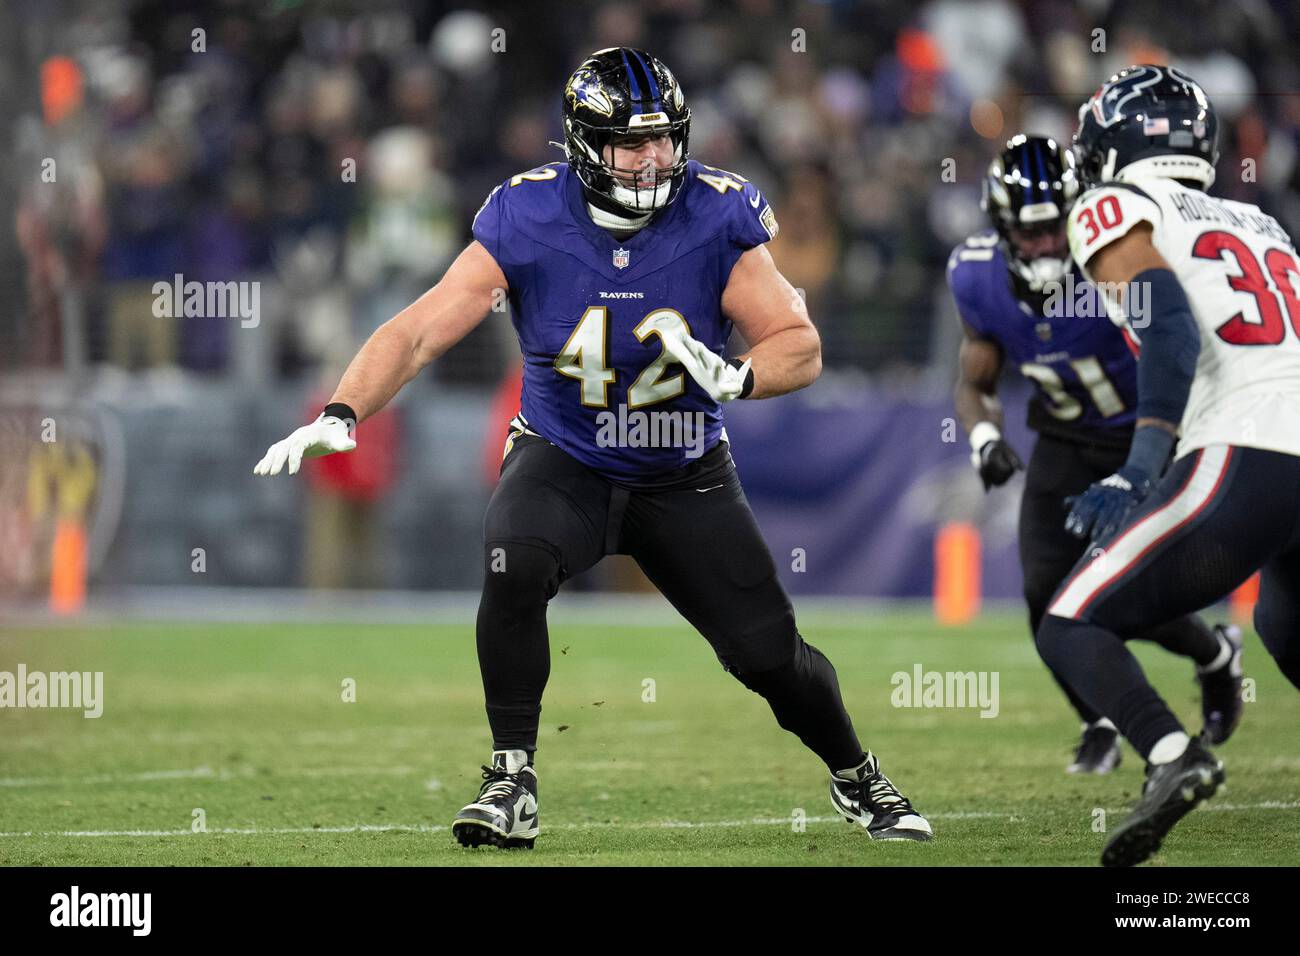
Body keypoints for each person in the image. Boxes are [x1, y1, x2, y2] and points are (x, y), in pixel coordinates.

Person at [254, 47, 932, 850]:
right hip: (564, 453)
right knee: (512, 559)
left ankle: (858, 775)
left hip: (681, 466)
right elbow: (418, 331)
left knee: (768, 656)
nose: (653, 161)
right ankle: (512, 778)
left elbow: (800, 343)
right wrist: (344, 410)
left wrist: (739, 376)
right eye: (631, 144)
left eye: (664, 140)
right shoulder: (527, 215)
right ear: (583, 145)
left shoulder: (716, 215)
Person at [1035, 65, 1300, 866]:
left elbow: (1171, 325)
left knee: (1072, 621)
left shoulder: (1114, 205)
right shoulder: (1260, 222)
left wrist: (1140, 465)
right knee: (1289, 628)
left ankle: (1170, 753)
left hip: (1247, 447)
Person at [950, 134, 1241, 774]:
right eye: (1033, 234)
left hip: (1146, 434)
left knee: (1132, 595)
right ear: (1002, 228)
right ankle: (1099, 721)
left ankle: (1215, 654)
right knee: (1042, 590)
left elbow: (1178, 338)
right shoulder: (974, 275)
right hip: (1066, 437)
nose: (1050, 245)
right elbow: (975, 379)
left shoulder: (1120, 256)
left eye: (1057, 227)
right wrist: (984, 436)